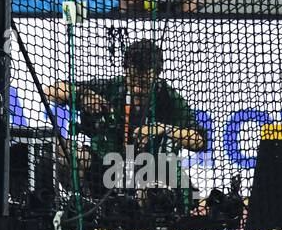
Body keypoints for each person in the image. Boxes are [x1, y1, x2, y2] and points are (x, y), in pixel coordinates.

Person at [44, 40, 207, 210]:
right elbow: (51, 91)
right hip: (106, 169)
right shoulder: (112, 87)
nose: (137, 89)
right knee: (61, 151)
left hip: (152, 174)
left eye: (143, 84)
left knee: (155, 191)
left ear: (157, 75)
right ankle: (86, 207)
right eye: (132, 81)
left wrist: (163, 129)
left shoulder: (169, 99)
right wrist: (82, 94)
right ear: (125, 71)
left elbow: (200, 140)